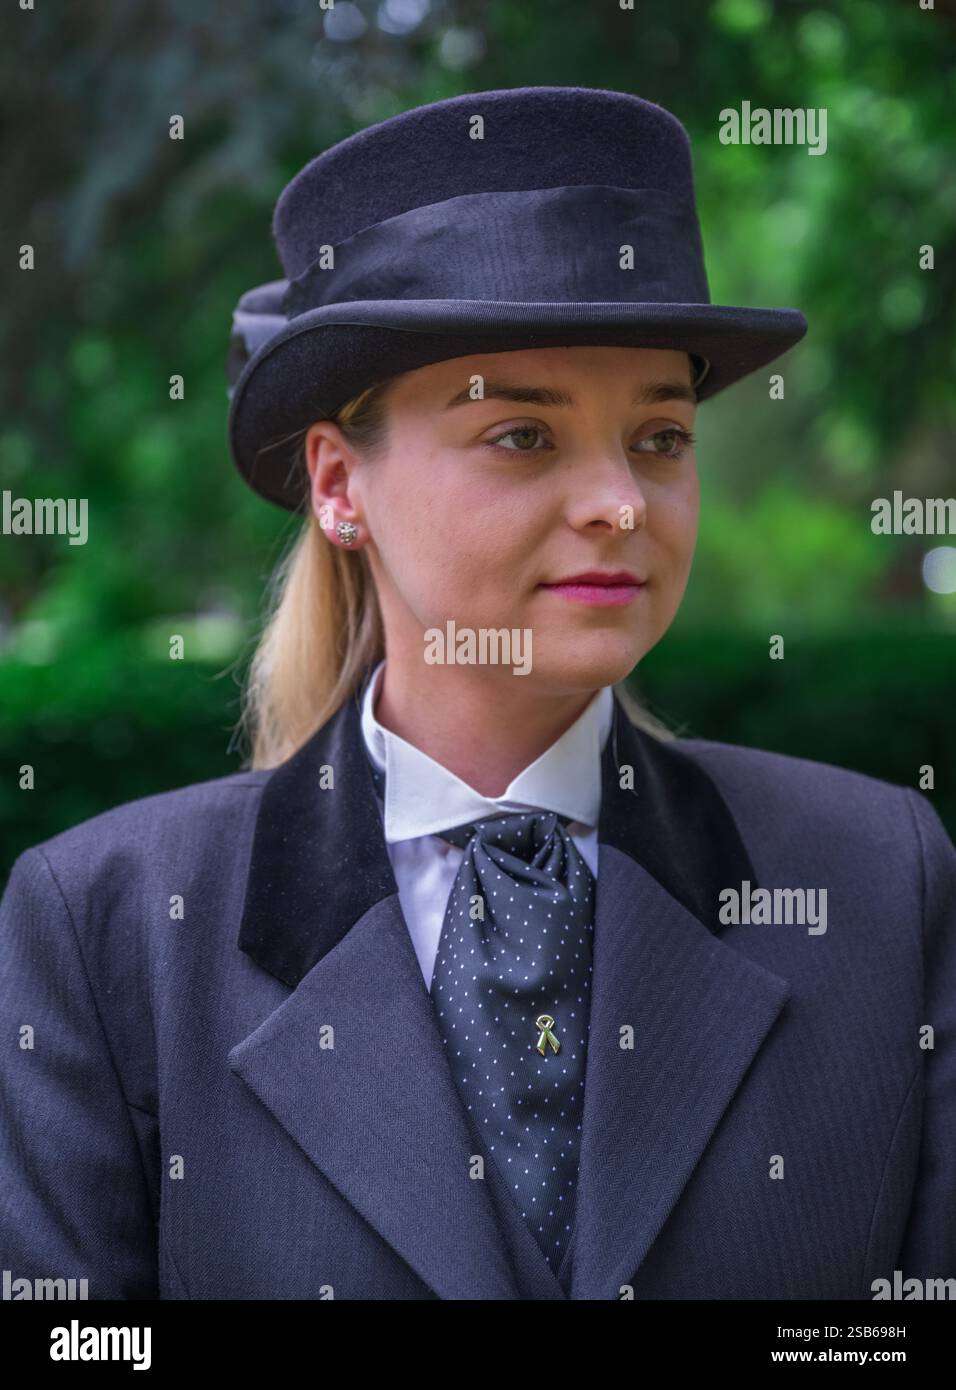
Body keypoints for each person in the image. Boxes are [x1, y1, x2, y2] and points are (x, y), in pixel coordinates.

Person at [1, 86, 953, 1302]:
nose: (620, 500)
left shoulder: (876, 877)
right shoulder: (110, 928)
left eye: (659, 436)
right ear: (339, 485)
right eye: (522, 435)